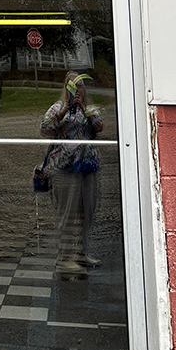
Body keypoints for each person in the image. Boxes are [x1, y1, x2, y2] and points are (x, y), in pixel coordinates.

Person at [39, 72, 103, 273]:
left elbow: (99, 127)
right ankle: (64, 257)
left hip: (88, 166)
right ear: (66, 88)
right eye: (73, 86)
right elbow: (44, 129)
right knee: (67, 212)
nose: (77, 90)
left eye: (80, 86)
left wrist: (84, 110)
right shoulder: (57, 108)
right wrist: (63, 112)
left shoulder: (90, 109)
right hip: (64, 167)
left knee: (87, 211)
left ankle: (81, 253)